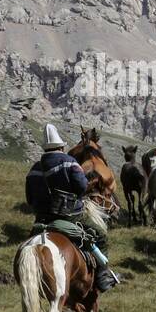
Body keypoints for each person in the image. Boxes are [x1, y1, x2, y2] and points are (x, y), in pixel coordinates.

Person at [25, 124, 119, 292]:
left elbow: (29, 198)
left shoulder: (34, 169)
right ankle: (102, 277)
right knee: (101, 234)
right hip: (70, 215)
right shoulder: (70, 163)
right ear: (61, 146)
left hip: (41, 218)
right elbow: (82, 186)